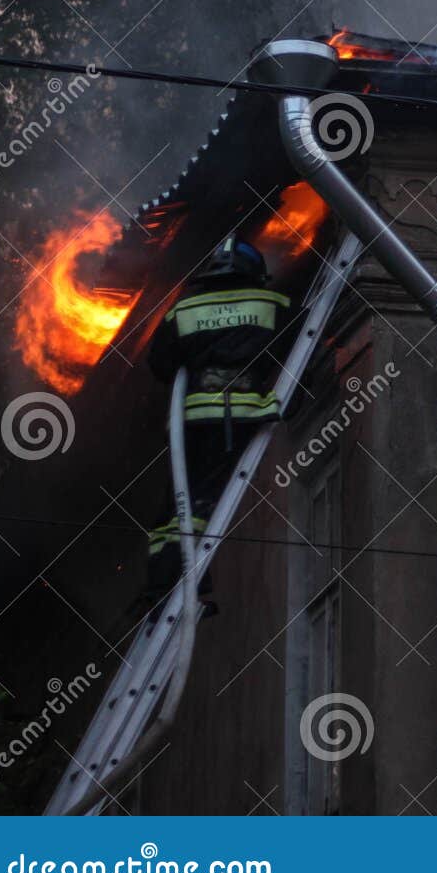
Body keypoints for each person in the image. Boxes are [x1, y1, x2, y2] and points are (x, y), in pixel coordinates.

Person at [143, 235, 293, 615]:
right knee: (205, 504)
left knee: (179, 507)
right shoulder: (274, 304)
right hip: (242, 421)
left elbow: (161, 364)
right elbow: (301, 348)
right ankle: (184, 583)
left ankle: (168, 585)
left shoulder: (184, 310)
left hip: (193, 424)